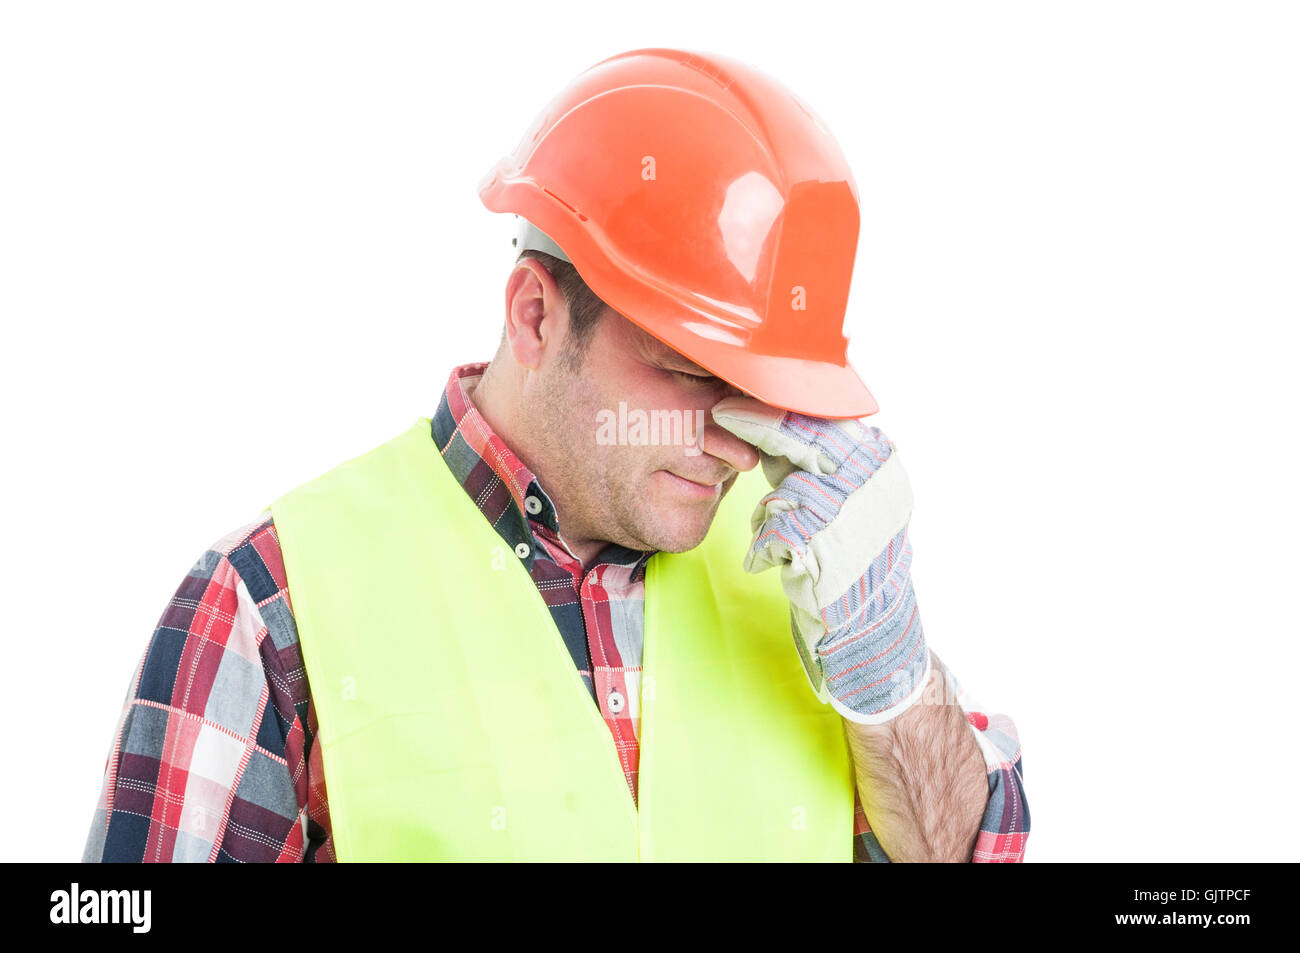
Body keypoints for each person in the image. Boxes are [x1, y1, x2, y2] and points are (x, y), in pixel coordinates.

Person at [82, 47, 1029, 862]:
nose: (736, 445)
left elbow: (959, 848)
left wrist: (891, 686)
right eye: (688, 374)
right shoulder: (270, 603)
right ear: (535, 314)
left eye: (762, 392)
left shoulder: (811, 580)